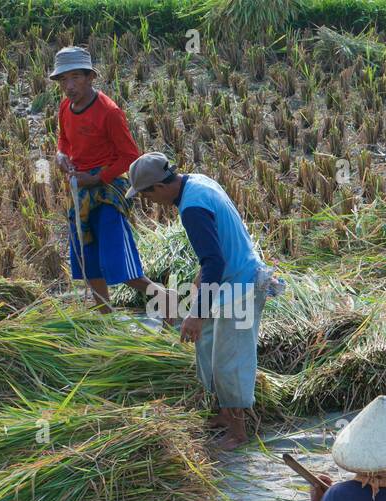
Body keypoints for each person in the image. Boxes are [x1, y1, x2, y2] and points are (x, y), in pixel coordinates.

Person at [128, 152, 277, 450]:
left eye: (146, 195)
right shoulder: (197, 182)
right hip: (231, 280)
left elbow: (214, 262)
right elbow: (215, 250)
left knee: (228, 360)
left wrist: (196, 313)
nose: (148, 202)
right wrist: (200, 280)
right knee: (207, 343)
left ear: (158, 188)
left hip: (243, 286)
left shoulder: (192, 208)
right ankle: (224, 414)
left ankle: (238, 431)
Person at [50, 46, 161, 310]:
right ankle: (105, 317)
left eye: (75, 77)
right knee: (88, 262)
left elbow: (130, 156)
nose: (69, 85)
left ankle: (167, 300)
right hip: (81, 190)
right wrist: (60, 156)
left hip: (109, 190)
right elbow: (63, 140)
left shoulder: (109, 112)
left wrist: (96, 177)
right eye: (64, 80)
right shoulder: (66, 107)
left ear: (90, 77)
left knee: (120, 266)